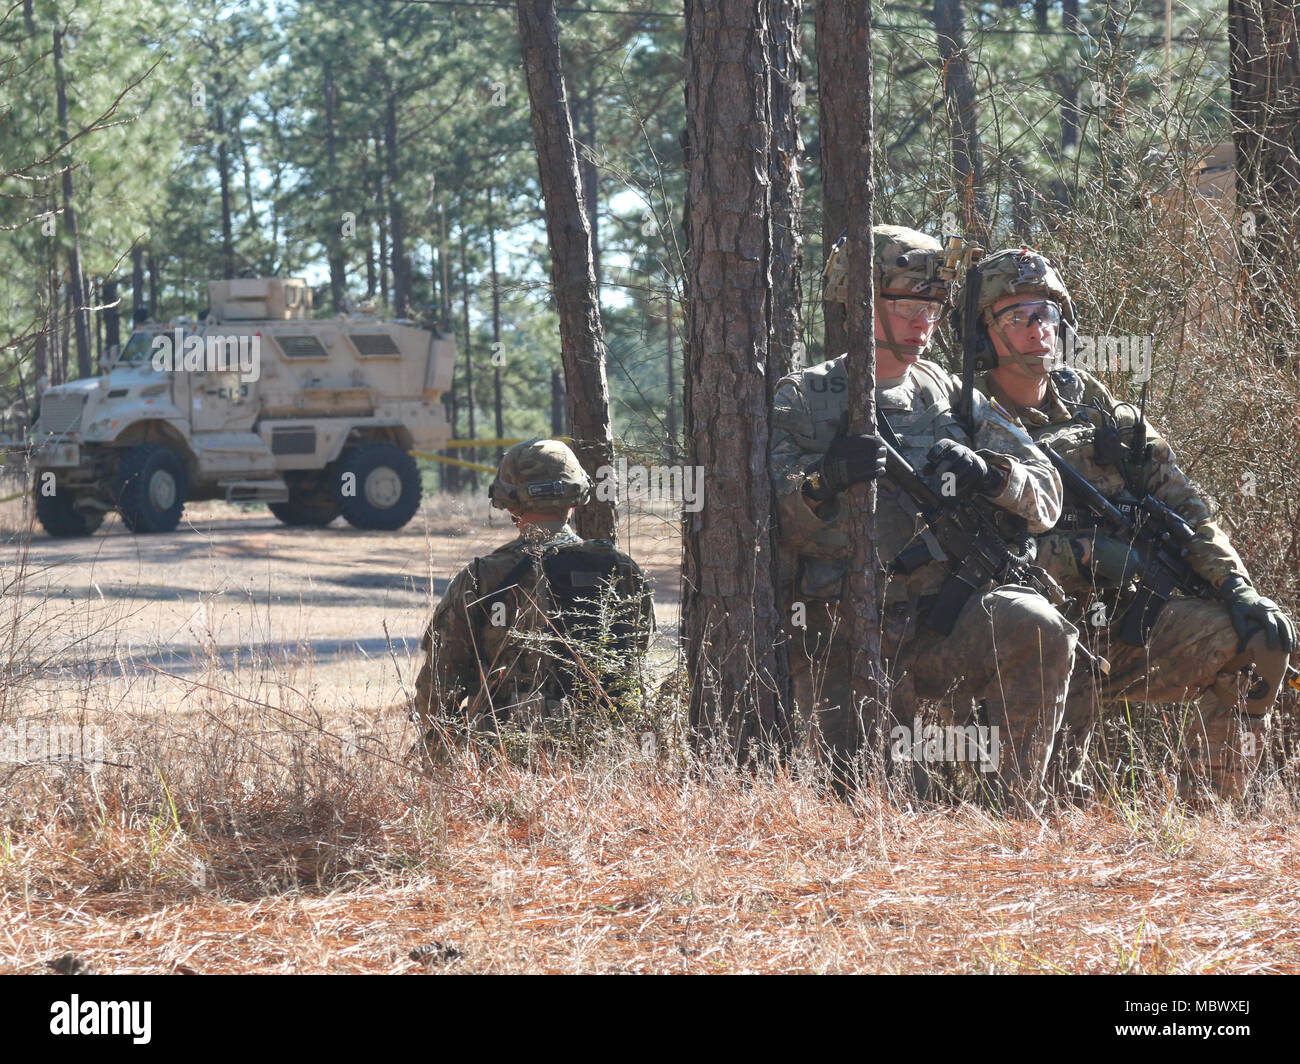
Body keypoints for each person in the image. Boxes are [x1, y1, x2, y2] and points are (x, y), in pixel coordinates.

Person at [972, 246, 1296, 797]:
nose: (1036, 331)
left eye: (1045, 315)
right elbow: (972, 554)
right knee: (1047, 801)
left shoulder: (1104, 415)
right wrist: (1084, 558)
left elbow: (1187, 508)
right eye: (1017, 317)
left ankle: (1210, 817)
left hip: (1126, 627)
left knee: (1258, 640)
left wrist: (1236, 586)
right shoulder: (966, 420)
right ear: (986, 330)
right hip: (1030, 639)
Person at [769, 225, 1078, 801]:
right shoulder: (805, 398)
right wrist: (823, 481)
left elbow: (1048, 498)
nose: (923, 323)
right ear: (859, 305)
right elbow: (775, 523)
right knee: (870, 803)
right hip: (848, 635)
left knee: (1042, 627)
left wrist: (993, 475)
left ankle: (1012, 810)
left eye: (933, 306)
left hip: (948, 621)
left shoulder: (949, 393)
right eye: (908, 304)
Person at [410, 438, 654, 759]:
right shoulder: (621, 571)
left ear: (508, 504)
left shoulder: (481, 578)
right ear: (576, 498)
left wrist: (443, 754)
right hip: (605, 757)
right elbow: (635, 665)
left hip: (504, 760)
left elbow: (438, 691)